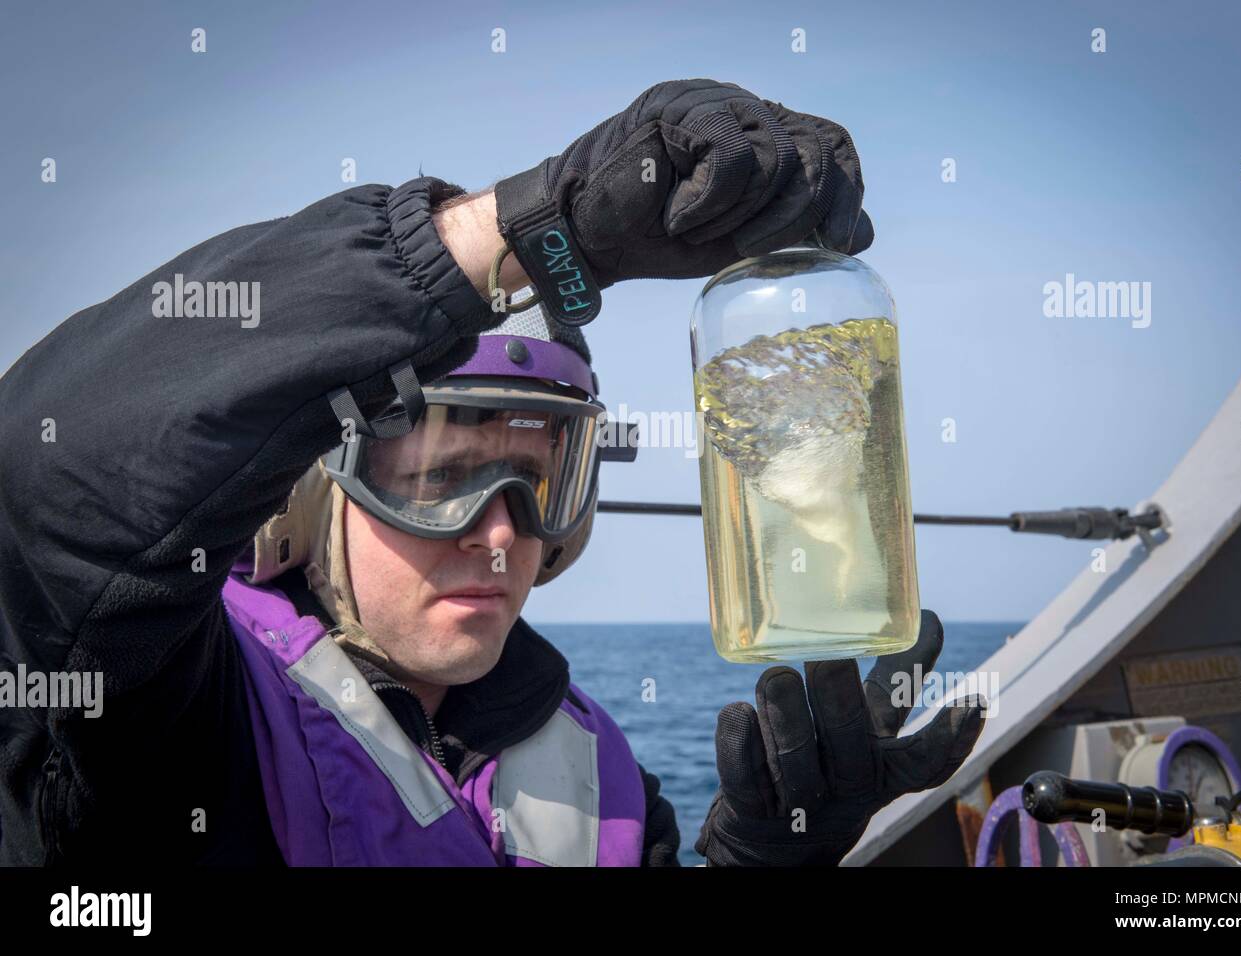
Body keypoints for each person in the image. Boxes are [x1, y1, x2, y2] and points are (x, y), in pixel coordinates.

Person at [0, 79, 985, 866]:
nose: (503, 531)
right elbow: (53, 470)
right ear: (318, 483)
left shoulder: (603, 782)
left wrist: (761, 857)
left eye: (537, 479)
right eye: (441, 474)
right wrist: (519, 232)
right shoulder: (170, 705)